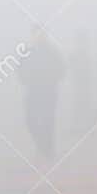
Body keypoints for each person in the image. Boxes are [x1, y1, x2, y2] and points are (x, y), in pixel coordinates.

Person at [18, 26, 65, 160]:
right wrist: (26, 80)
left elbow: (62, 69)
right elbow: (20, 69)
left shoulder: (53, 51)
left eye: (41, 33)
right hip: (32, 90)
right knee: (30, 120)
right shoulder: (27, 51)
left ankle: (48, 150)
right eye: (36, 33)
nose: (39, 36)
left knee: (48, 121)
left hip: (49, 91)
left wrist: (51, 80)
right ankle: (42, 145)